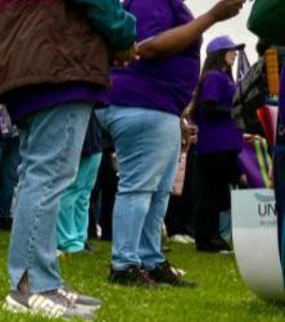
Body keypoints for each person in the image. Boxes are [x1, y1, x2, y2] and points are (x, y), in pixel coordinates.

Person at [0, 0, 136, 319]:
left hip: (32, 60)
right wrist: (125, 32)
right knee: (48, 176)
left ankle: (40, 281)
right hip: (59, 61)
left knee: (37, 175)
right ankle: (32, 286)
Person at [96, 0, 243, 288]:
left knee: (159, 191)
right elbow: (149, 47)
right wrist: (212, 16)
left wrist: (176, 116)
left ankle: (150, 258)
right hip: (142, 101)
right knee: (138, 187)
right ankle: (124, 264)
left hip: (160, 106)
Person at [192, 36, 245, 253]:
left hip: (221, 144)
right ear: (219, 54)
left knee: (214, 192)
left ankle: (212, 237)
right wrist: (235, 112)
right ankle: (207, 239)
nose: (234, 53)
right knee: (211, 193)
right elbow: (208, 107)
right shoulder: (215, 77)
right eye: (230, 50)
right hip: (216, 144)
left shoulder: (222, 77)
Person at [57, 113, 104, 254]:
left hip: (94, 140)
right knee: (72, 190)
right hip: (81, 138)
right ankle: (67, 241)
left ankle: (80, 238)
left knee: (84, 193)